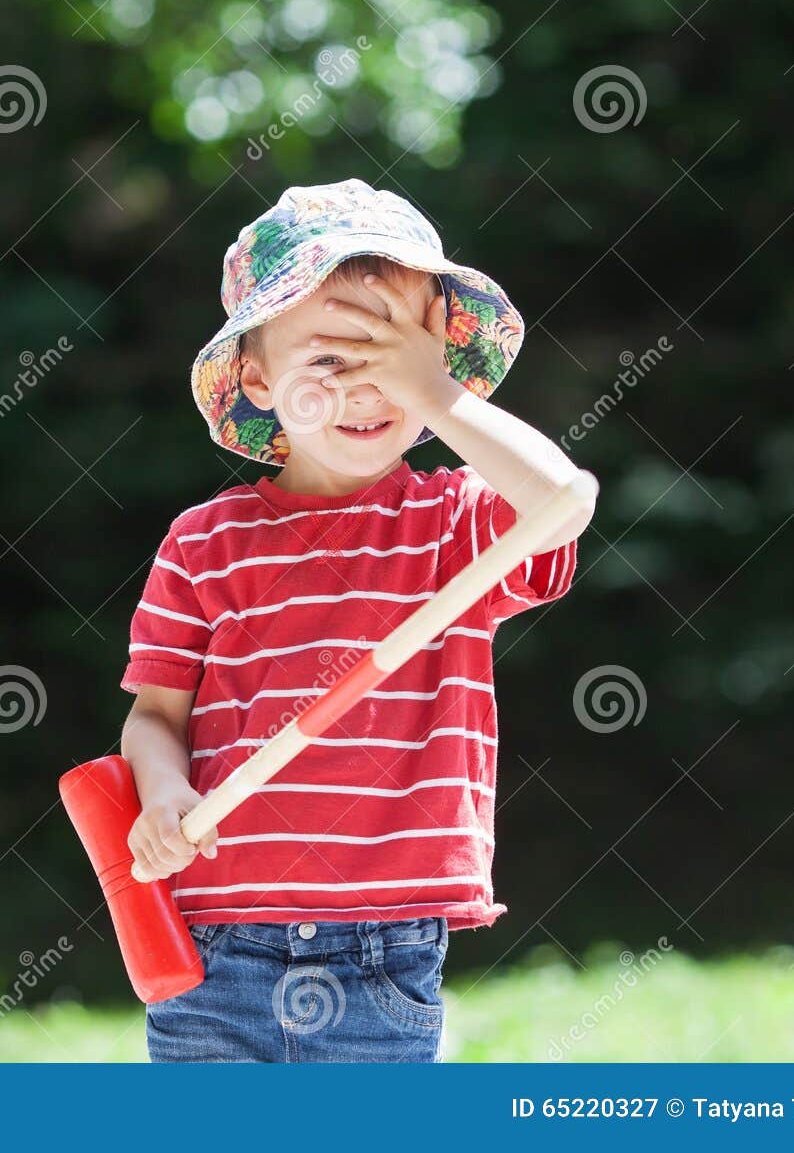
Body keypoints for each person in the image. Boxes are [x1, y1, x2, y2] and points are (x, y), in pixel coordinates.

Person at [119, 178, 594, 1062]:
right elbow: (155, 718)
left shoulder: (455, 524)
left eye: (400, 359)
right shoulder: (204, 543)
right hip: (219, 938)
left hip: (385, 944)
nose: (370, 390)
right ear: (256, 376)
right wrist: (164, 791)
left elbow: (565, 498)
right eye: (333, 360)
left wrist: (441, 398)